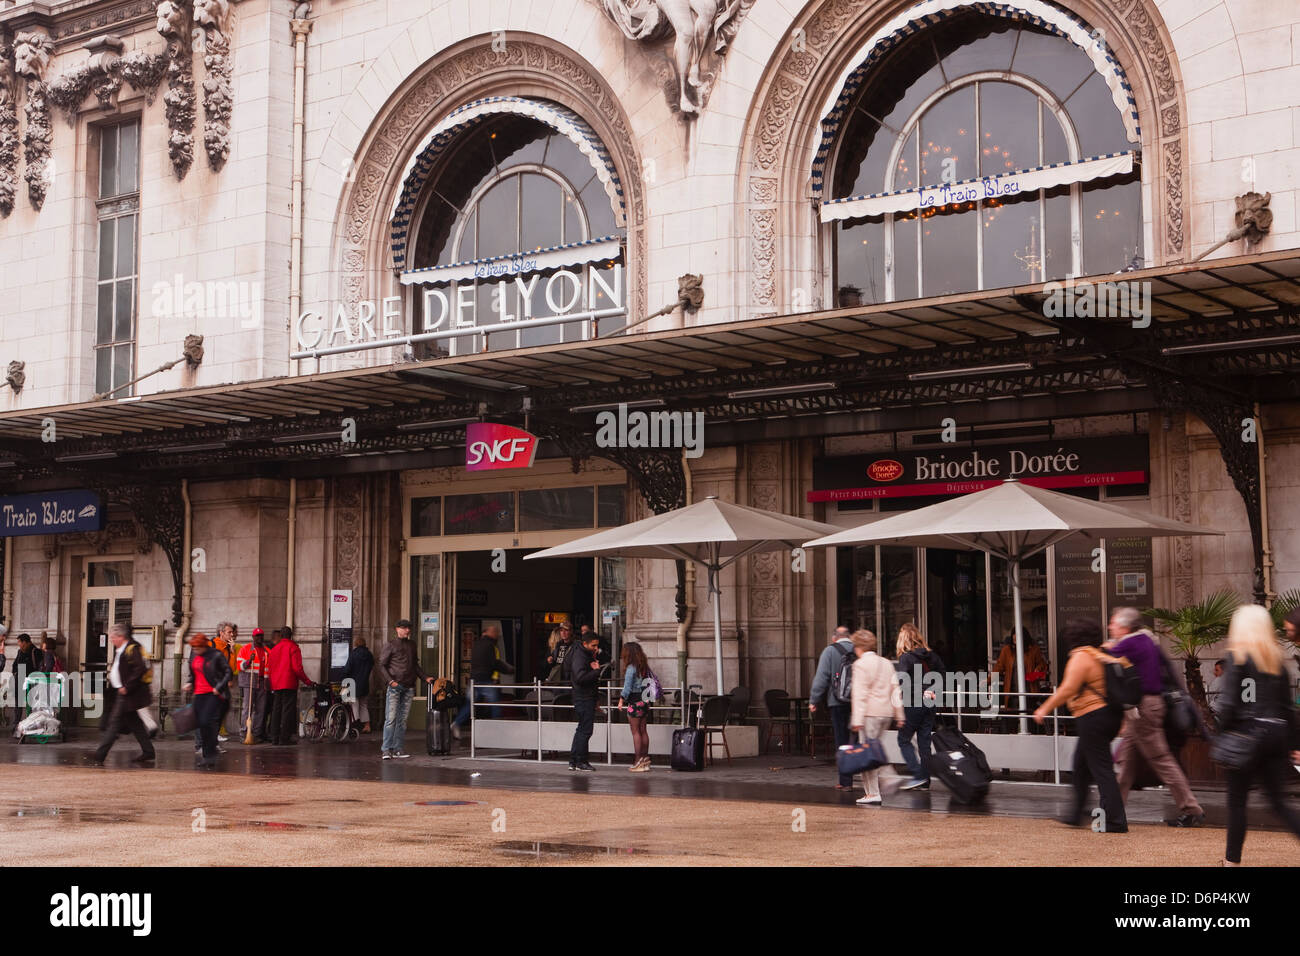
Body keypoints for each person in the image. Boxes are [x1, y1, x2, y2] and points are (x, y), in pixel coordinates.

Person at [1106, 606, 1205, 827]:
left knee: (1162, 760)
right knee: (1127, 763)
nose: (1110, 626)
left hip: (1143, 709)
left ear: (1124, 626)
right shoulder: (1147, 639)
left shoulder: (1130, 642)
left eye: (1113, 623)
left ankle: (1192, 809)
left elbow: (1106, 659)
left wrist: (1100, 649)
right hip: (1146, 707)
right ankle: (1112, 811)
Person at [1218, 604, 1300, 865]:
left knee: (1237, 803)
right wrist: (1294, 743)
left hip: (1246, 736)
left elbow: (1231, 702)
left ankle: (1232, 861)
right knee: (1278, 802)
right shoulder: (1277, 662)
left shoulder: (1238, 658)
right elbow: (1288, 709)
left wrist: (1221, 731)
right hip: (1275, 734)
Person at [1033, 618, 1128, 833]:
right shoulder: (1100, 653)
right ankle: (1076, 814)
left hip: (1092, 717)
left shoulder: (1082, 657)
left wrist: (1044, 709)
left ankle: (1115, 821)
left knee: (1101, 769)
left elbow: (1068, 689)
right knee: (1081, 767)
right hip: (1107, 716)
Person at [848, 629, 904, 806]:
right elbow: (895, 690)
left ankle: (875, 790)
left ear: (859, 647)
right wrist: (899, 714)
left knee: (868, 753)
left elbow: (859, 694)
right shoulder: (886, 663)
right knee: (874, 750)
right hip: (885, 713)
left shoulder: (860, 665)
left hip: (869, 714)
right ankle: (881, 782)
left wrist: (856, 719)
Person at [92, 623, 155, 766]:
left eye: (113, 637)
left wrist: (127, 686)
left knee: (114, 724)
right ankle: (148, 751)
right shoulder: (121, 649)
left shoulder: (132, 649)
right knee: (136, 723)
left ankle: (100, 755)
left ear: (121, 636)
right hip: (121, 693)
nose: (111, 640)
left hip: (127, 693)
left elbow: (139, 669)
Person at [895, 622, 945, 791]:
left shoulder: (906, 657)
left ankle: (918, 775)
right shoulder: (932, 656)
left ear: (903, 639)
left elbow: (902, 682)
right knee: (924, 742)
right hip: (930, 703)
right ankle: (925, 780)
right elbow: (943, 676)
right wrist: (931, 691)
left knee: (903, 739)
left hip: (914, 703)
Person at [377, 619, 433, 759]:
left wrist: (425, 677)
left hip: (408, 686)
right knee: (391, 719)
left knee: (401, 720)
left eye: (408, 628)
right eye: (403, 628)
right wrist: (391, 682)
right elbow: (381, 665)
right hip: (396, 686)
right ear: (397, 629)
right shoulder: (390, 645)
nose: (407, 630)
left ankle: (397, 748)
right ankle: (386, 749)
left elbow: (415, 665)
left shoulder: (412, 645)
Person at [808, 625, 855, 790]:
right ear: (849, 637)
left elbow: (822, 678)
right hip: (858, 703)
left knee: (842, 742)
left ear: (834, 638)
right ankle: (868, 779)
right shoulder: (859, 650)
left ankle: (845, 781)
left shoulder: (829, 651)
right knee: (857, 740)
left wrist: (814, 700)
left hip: (838, 702)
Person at [452, 624, 514, 739]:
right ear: (490, 633)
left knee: (470, 705)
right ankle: (497, 730)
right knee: (495, 705)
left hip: (473, 680)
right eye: (495, 632)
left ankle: (457, 722)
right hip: (485, 680)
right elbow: (494, 663)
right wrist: (508, 669)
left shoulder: (477, 644)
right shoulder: (490, 645)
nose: (497, 635)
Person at [186, 633, 232, 769]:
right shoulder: (195, 656)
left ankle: (210, 756)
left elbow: (228, 671)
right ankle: (208, 756)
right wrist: (189, 683)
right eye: (193, 648)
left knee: (207, 722)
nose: (195, 651)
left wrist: (219, 687)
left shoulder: (215, 655)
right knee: (201, 724)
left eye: (197, 648)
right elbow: (193, 672)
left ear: (204, 646)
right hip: (199, 694)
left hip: (213, 694)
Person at [268, 625, 314, 746]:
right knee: (287, 710)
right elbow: (297, 668)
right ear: (291, 635)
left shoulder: (274, 649)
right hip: (289, 682)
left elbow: (270, 669)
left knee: (276, 710)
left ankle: (275, 737)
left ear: (281, 636)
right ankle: (284, 737)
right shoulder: (293, 648)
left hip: (276, 684)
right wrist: (307, 681)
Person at [569, 628, 603, 771]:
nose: (596, 648)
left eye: (597, 645)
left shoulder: (585, 655)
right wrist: (596, 671)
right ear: (585, 644)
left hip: (585, 697)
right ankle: (581, 761)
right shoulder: (581, 657)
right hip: (583, 698)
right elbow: (580, 678)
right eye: (593, 645)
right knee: (585, 730)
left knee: (582, 729)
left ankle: (574, 760)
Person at [619, 641, 653, 771]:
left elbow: (627, 687)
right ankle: (645, 760)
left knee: (635, 732)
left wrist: (622, 699)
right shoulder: (643, 666)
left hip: (634, 701)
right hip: (644, 701)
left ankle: (638, 761)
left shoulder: (631, 668)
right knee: (643, 730)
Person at [235, 627, 270, 743]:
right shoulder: (245, 649)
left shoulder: (267, 651)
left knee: (261, 709)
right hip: (248, 682)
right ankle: (244, 732)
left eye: (261, 636)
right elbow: (239, 666)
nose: (259, 638)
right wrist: (249, 661)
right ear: (253, 637)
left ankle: (256, 733)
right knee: (247, 709)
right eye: (257, 636)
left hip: (262, 683)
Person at [212, 621, 239, 740]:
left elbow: (232, 668)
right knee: (213, 712)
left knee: (223, 708)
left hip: (222, 684)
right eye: (229, 632)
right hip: (213, 683)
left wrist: (232, 651)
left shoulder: (228, 647)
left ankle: (213, 737)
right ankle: (207, 741)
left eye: (232, 632)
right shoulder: (213, 645)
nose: (232, 635)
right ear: (221, 633)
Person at [342, 635, 374, 733]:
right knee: (364, 705)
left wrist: (343, 678)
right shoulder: (369, 655)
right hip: (364, 683)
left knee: (354, 705)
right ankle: (367, 726)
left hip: (353, 683)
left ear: (356, 644)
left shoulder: (353, 654)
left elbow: (347, 670)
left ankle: (355, 726)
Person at [11, 633, 40, 725]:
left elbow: (39, 667)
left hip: (31, 681)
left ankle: (31, 723)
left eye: (19, 642)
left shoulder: (35, 651)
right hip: (19, 680)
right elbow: (15, 664)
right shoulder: (20, 651)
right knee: (18, 703)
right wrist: (15, 673)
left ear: (25, 642)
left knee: (32, 703)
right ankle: (17, 723)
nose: (18, 644)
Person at [1208, 658, 1231, 725]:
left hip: (1217, 711)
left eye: (1217, 670)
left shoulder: (1219, 680)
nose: (1215, 673)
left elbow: (1208, 697)